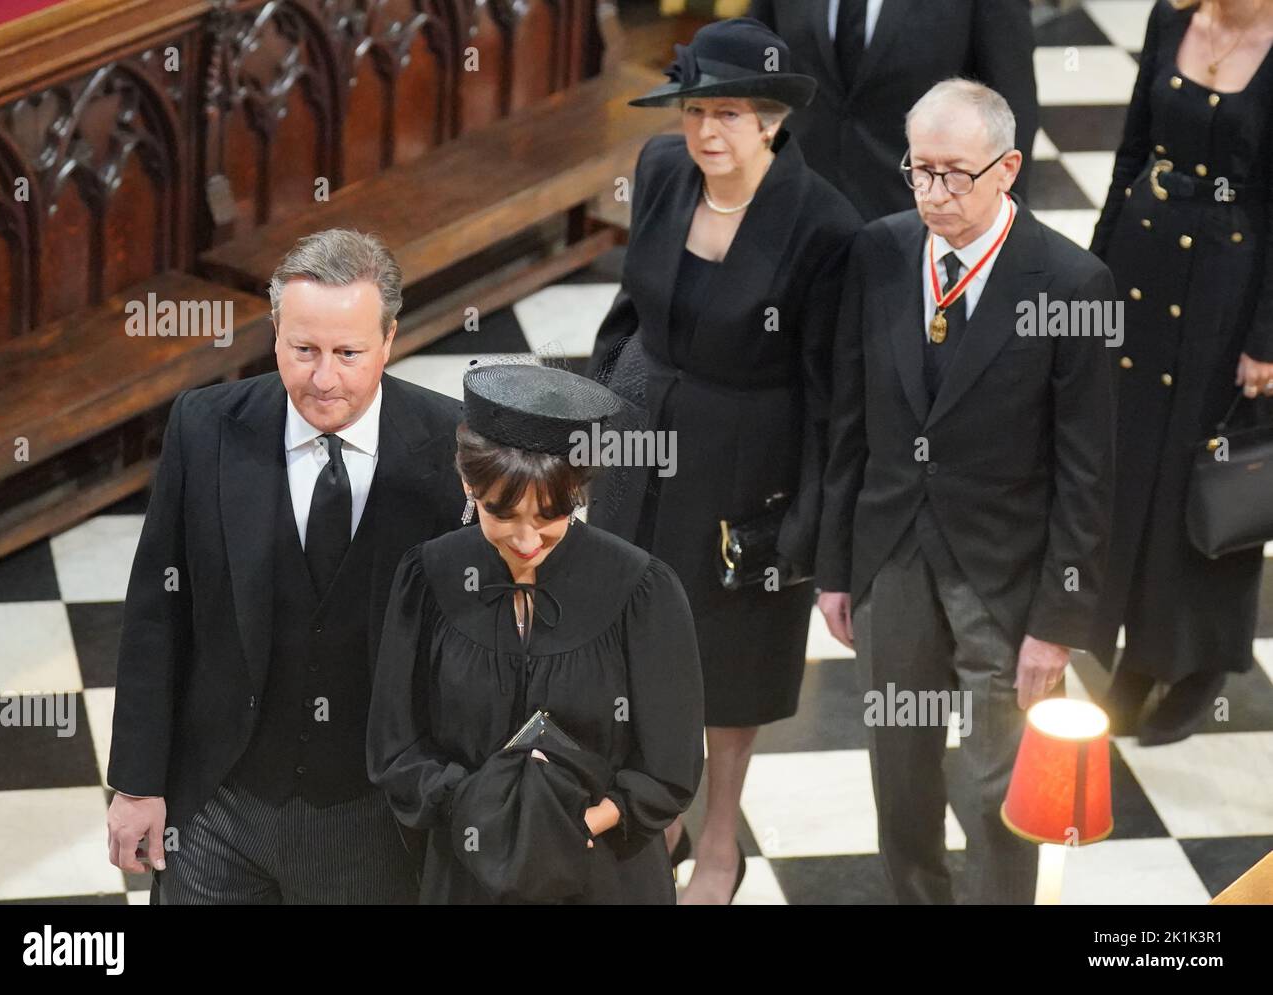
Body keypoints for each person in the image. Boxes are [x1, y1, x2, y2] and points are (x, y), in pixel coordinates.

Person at [815, 79, 1116, 904]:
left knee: (996, 786)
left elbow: (1089, 473)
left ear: (1008, 167)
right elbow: (849, 421)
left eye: (955, 174)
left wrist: (1059, 622)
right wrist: (835, 565)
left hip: (1006, 571)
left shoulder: (1073, 285)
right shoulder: (876, 252)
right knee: (899, 770)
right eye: (919, 171)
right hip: (892, 553)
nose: (933, 193)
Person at [586, 16, 863, 904]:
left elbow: (832, 392)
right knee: (631, 636)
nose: (708, 132)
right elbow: (628, 308)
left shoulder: (823, 222)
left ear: (773, 121)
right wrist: (600, 413)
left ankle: (716, 833)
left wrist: (812, 527)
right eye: (697, 109)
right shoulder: (665, 172)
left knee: (730, 660)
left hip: (747, 461)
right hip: (641, 430)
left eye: (732, 114)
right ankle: (654, 806)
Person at [105, 229, 463, 903]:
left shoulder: (451, 446)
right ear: (275, 333)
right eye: (304, 350)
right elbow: (157, 615)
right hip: (218, 802)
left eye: (349, 353)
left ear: (389, 339)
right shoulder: (205, 427)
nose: (323, 378)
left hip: (370, 817)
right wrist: (136, 781)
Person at [367, 364, 705, 905]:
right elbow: (396, 747)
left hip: (605, 873)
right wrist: (484, 814)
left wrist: (573, 827)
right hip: (471, 871)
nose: (527, 540)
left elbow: (671, 766)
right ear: (467, 484)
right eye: (502, 512)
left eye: (550, 515)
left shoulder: (642, 590)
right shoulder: (427, 578)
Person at [1087, 0, 1273, 745]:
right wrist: (1094, 272)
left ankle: (1202, 662)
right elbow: (1132, 152)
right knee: (1133, 467)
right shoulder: (1171, 21)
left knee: (1205, 473)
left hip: (1230, 284)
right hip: (1145, 260)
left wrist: (1266, 336)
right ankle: (1140, 650)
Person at [748, 0, 1037, 220]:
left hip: (922, 218)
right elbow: (755, 72)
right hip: (802, 212)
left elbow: (1011, 105)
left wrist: (1005, 221)